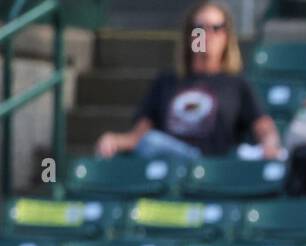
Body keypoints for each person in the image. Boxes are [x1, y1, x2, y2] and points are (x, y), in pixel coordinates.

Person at [95, 2, 280, 161]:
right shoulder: (167, 81)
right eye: (199, 28)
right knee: (151, 142)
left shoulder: (236, 84)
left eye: (216, 28)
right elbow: (139, 136)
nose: (207, 35)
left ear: (226, 36)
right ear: (190, 35)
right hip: (170, 164)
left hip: (213, 167)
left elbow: (263, 126)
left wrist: (269, 143)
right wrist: (114, 140)